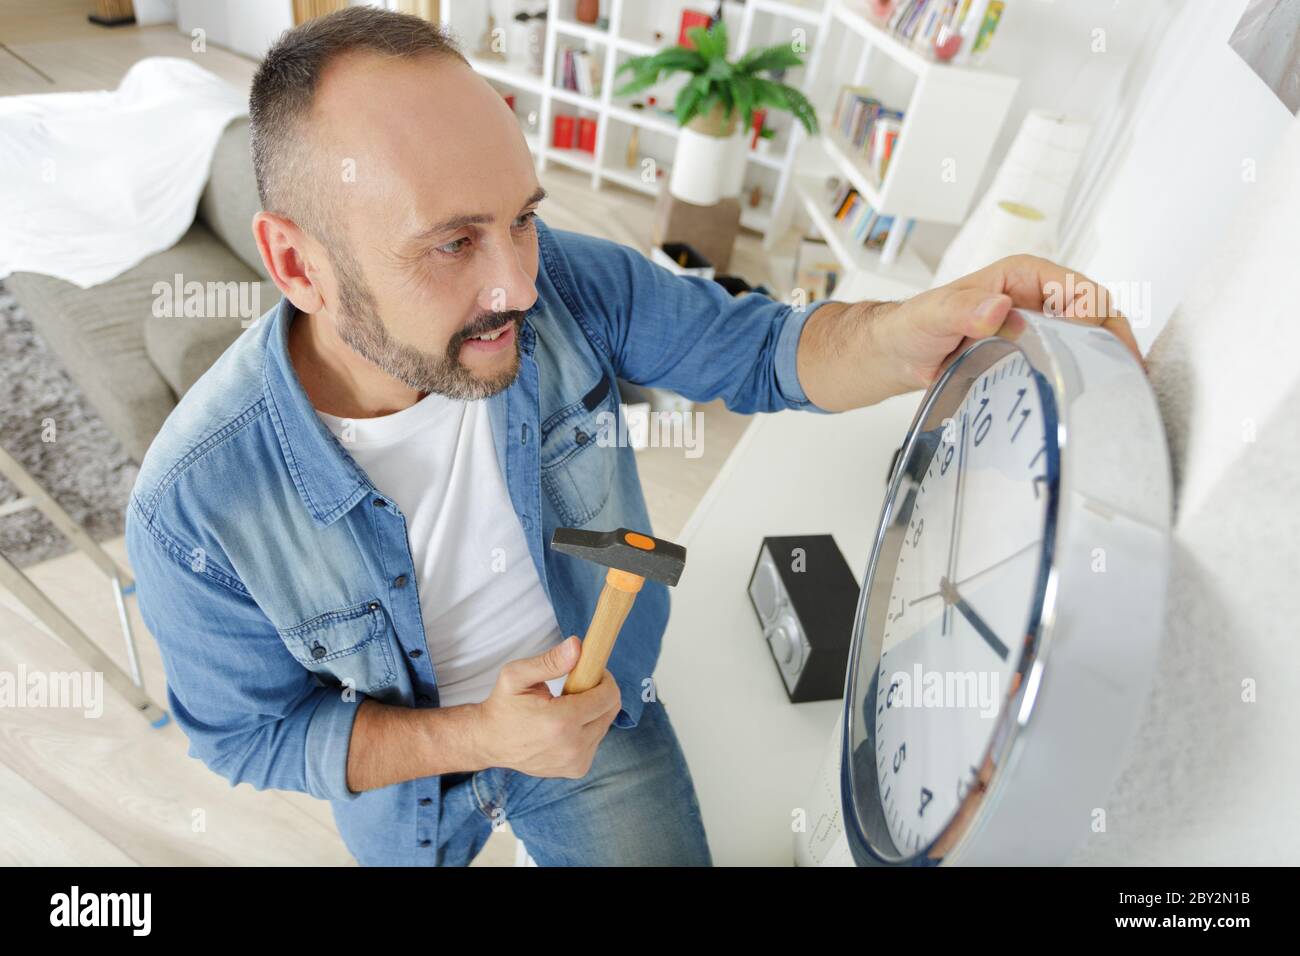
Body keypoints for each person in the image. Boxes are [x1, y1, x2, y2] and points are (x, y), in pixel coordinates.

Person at [125, 6, 1140, 867]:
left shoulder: (562, 280)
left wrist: (908, 324)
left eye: (519, 216)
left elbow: (763, 353)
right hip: (412, 789)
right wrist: (481, 732)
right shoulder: (192, 507)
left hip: (600, 702)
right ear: (296, 266)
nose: (519, 286)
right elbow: (250, 736)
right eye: (451, 242)